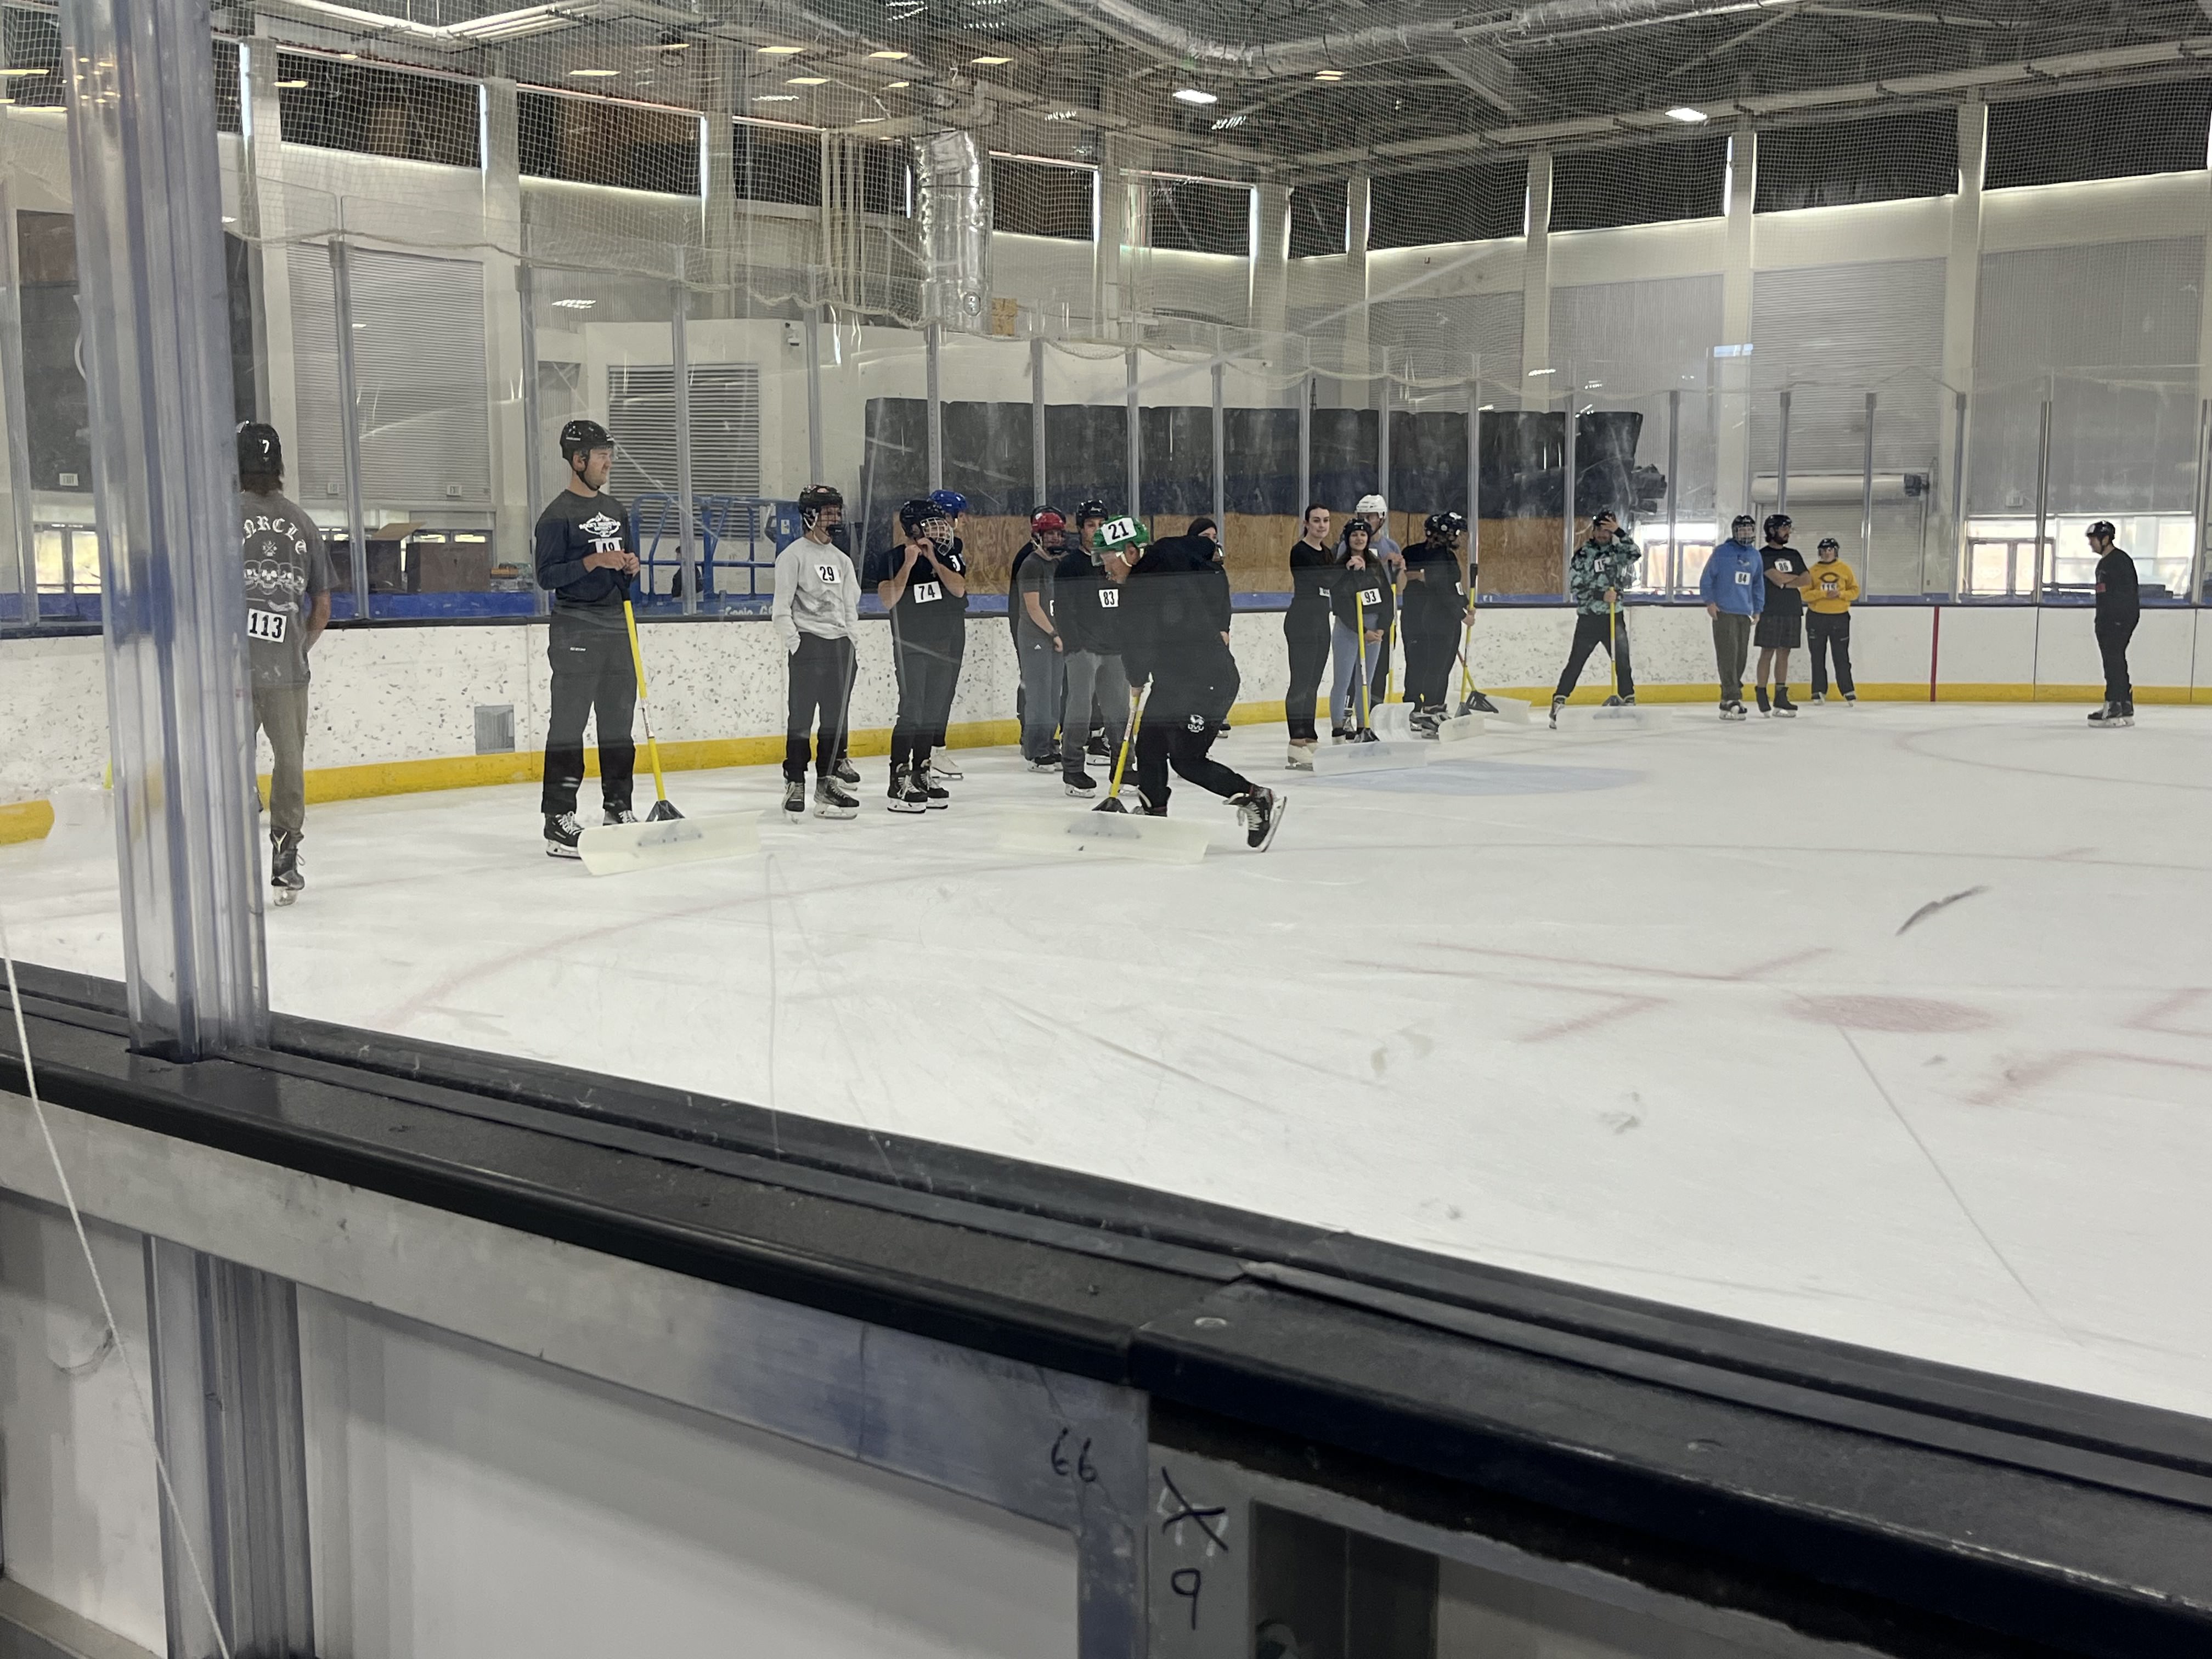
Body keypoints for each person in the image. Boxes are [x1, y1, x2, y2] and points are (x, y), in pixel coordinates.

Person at [1109, 517, 1284, 850]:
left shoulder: (1142, 587)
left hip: (1207, 683)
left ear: (1130, 552)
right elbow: (1205, 548)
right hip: (1175, 681)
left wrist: (1135, 676)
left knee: (1187, 760)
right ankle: (1153, 812)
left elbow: (1139, 640)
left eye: (1108, 561)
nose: (1106, 571)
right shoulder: (1167, 555)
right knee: (1149, 744)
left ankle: (1256, 797)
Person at [535, 417, 641, 858]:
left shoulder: (617, 510)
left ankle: (619, 807)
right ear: (578, 461)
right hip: (576, 628)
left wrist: (631, 566)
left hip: (618, 627)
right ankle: (558, 819)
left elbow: (624, 567)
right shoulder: (556, 516)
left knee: (619, 727)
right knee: (569, 727)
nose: (608, 464)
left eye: (609, 456)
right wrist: (592, 562)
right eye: (600, 457)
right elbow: (546, 576)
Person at [235, 422, 332, 902]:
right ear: (279, 468)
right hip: (287, 669)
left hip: (228, 672)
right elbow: (322, 607)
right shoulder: (304, 522)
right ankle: (285, 854)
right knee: (289, 761)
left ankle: (231, 839)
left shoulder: (218, 518)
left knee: (228, 756)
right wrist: (297, 647)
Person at [868, 498, 968, 811]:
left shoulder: (949, 556)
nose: (941, 528)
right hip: (911, 647)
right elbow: (888, 599)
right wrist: (909, 564)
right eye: (932, 523)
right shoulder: (893, 557)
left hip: (942, 646)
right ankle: (897, 779)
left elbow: (959, 589)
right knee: (911, 711)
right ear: (914, 529)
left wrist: (934, 561)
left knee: (931, 712)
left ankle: (921, 771)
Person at [772, 483, 861, 817]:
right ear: (810, 516)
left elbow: (849, 606)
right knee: (800, 720)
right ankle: (795, 781)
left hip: (841, 648)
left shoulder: (842, 561)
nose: (834, 519)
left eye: (837, 512)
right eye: (828, 513)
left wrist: (852, 642)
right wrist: (798, 645)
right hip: (808, 645)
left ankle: (827, 783)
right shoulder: (792, 556)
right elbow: (780, 610)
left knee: (834, 722)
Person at [1052, 501, 1132, 797]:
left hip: (1114, 649)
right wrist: (1074, 647)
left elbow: (1125, 603)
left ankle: (1123, 769)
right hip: (1083, 649)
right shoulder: (1070, 565)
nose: (1096, 530)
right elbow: (1063, 609)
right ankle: (1073, 770)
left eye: (1101, 525)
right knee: (1080, 711)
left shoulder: (1116, 562)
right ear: (1081, 529)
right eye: (1090, 525)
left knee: (1119, 714)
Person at [1549, 509, 1640, 729]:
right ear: (1593, 530)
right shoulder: (1583, 554)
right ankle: (1559, 701)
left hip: (1613, 616)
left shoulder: (1619, 552)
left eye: (1607, 530)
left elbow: (1636, 553)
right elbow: (1575, 584)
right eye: (1599, 529)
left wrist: (1619, 531)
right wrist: (1600, 595)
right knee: (1576, 662)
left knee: (1623, 662)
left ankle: (1628, 699)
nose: (1602, 534)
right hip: (1590, 618)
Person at [1400, 511, 1470, 735]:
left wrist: (1465, 603)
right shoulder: (1433, 556)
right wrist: (1461, 613)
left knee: (1441, 666)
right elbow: (1441, 589)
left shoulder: (1447, 555)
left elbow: (1453, 586)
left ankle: (1436, 706)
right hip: (1434, 617)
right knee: (1430, 665)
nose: (1459, 537)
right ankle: (1426, 710)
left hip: (1443, 617)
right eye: (1455, 532)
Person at [1328, 517, 1392, 741]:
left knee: (1366, 680)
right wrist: (1361, 629)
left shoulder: (1375, 564)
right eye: (1354, 535)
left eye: (1363, 535)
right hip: (1349, 628)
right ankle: (1338, 727)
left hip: (1374, 629)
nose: (1359, 539)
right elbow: (1342, 602)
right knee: (1343, 680)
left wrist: (1382, 628)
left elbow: (1387, 598)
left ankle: (1363, 726)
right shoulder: (1341, 566)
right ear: (1348, 538)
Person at [923, 487, 971, 783]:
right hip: (930, 626)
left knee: (946, 687)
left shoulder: (955, 547)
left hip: (953, 622)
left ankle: (936, 746)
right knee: (928, 690)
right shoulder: (917, 548)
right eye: (958, 515)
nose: (961, 521)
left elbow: (959, 587)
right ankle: (925, 751)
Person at [1013, 507, 1066, 771]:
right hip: (1036, 636)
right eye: (1050, 534)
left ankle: (1050, 742)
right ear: (1038, 536)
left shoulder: (1058, 564)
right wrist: (1054, 634)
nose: (1056, 538)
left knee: (1054, 694)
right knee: (1039, 694)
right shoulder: (1031, 565)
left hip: (1056, 637)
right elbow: (1033, 608)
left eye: (1059, 533)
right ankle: (1036, 750)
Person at [1282, 502, 1334, 770]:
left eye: (1325, 520)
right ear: (1306, 523)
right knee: (1301, 681)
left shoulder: (1327, 553)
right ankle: (1296, 741)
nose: (1322, 525)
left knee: (1313, 681)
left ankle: (1309, 734)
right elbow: (1323, 580)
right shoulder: (1300, 552)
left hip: (1321, 621)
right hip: (1302, 621)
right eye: (1316, 521)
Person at [1700, 514, 1764, 721]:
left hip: (1743, 613)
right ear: (1735, 532)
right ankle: (1732, 697)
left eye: (1749, 530)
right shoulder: (1722, 553)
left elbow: (1757, 584)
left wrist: (1758, 608)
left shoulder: (1755, 556)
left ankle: (1728, 699)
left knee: (1740, 658)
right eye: (1742, 530)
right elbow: (1707, 579)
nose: (1746, 534)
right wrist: (1710, 602)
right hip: (1724, 612)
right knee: (1728, 655)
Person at [1754, 512, 1809, 717]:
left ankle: (1780, 693)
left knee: (1785, 652)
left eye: (1789, 529)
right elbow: (1777, 579)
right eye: (1784, 528)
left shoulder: (1794, 554)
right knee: (1767, 651)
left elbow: (1806, 580)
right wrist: (1789, 580)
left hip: (1792, 609)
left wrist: (1788, 581)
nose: (1787, 533)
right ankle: (1761, 691)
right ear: (1772, 531)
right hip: (1770, 609)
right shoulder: (1763, 555)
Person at [2088, 520, 2138, 727]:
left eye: (2093, 540)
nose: (2091, 544)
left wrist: (2116, 619)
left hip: (2117, 619)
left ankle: (2113, 705)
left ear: (2106, 539)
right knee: (2117, 658)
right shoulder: (2107, 562)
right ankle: (2125, 704)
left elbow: (2125, 594)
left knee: (2112, 660)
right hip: (2113, 619)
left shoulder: (2118, 561)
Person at [1804, 536, 1861, 704]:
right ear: (1820, 553)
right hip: (1817, 617)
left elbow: (1855, 591)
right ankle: (1818, 690)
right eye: (1824, 550)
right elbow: (1804, 594)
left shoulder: (1845, 569)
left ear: (1836, 552)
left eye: (1831, 550)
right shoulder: (1812, 571)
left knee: (1841, 655)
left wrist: (1841, 595)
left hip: (1840, 618)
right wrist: (1822, 594)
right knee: (1817, 656)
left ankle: (1847, 690)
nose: (1827, 553)